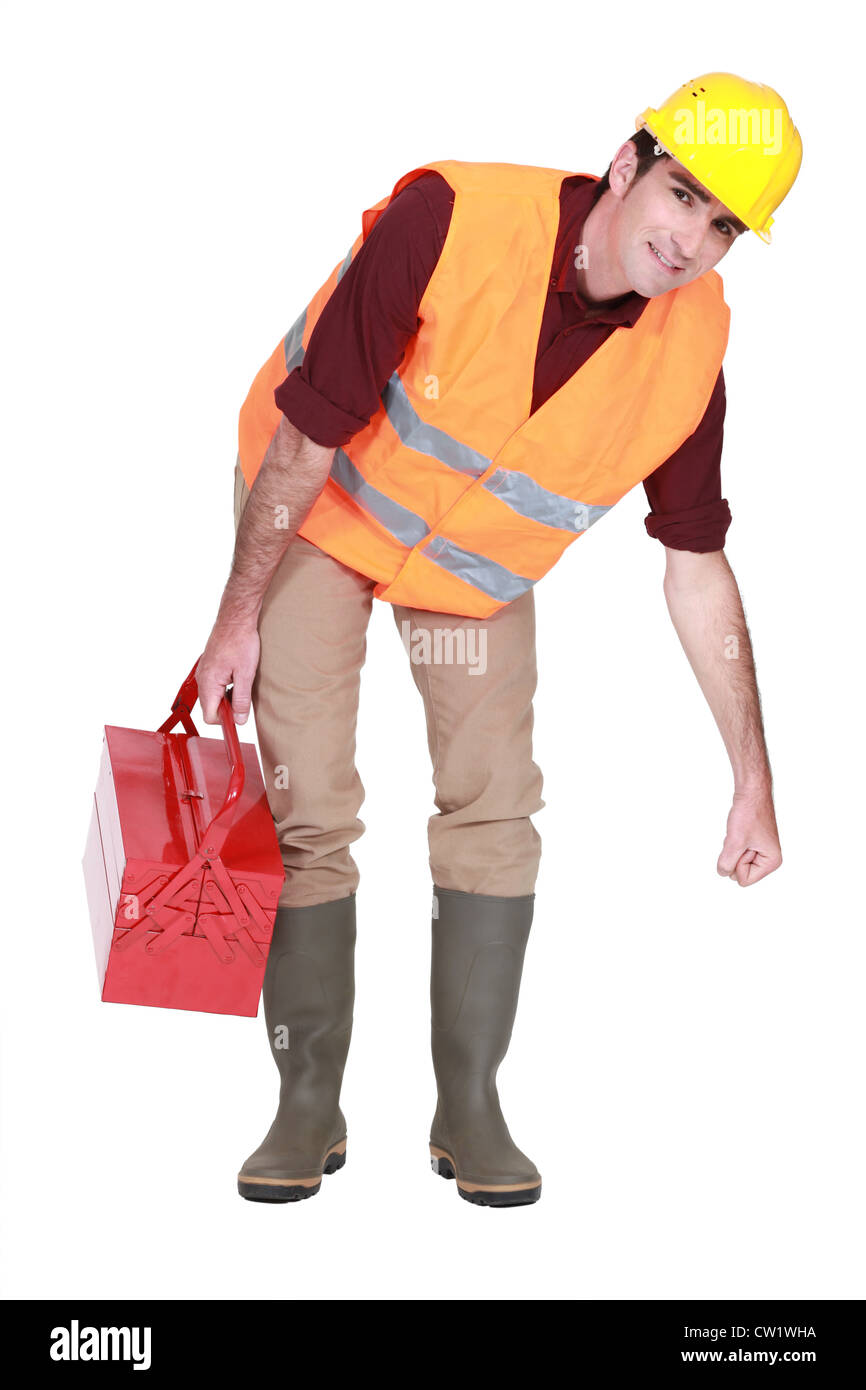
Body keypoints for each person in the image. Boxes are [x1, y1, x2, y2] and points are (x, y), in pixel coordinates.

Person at [196, 72, 803, 1208]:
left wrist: (750, 779)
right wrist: (236, 618)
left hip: (469, 570)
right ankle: (305, 1099)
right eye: (682, 194)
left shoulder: (691, 346)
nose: (690, 239)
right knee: (308, 800)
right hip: (320, 515)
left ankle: (468, 1102)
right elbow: (305, 434)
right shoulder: (451, 219)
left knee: (492, 804)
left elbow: (694, 564)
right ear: (624, 168)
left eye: (723, 225)